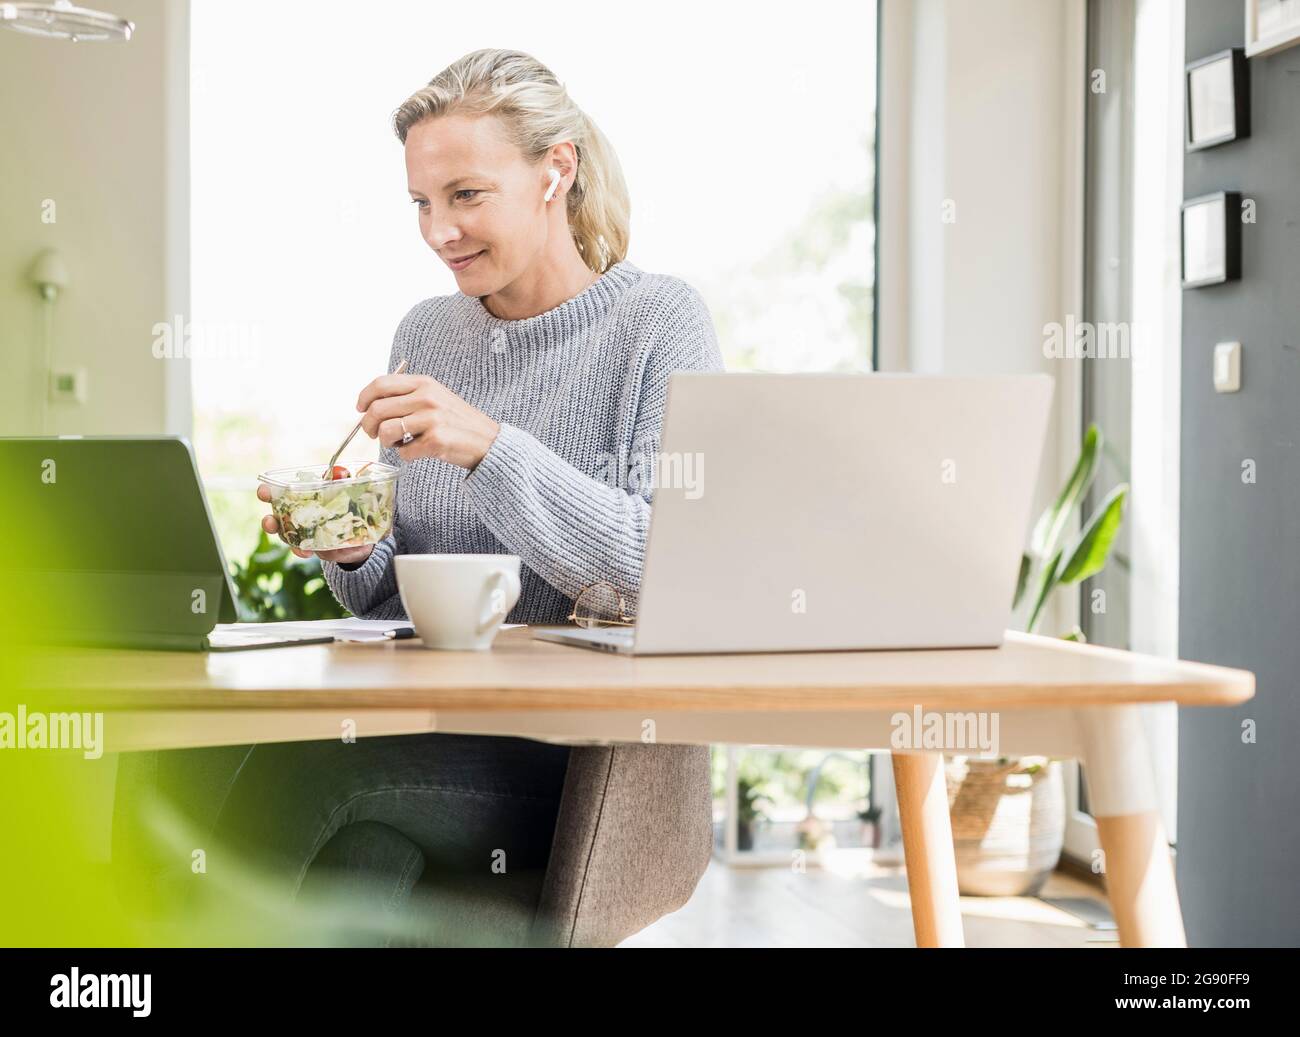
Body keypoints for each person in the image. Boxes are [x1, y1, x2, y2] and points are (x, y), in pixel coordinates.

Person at [188, 47, 724, 944]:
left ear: (557, 170)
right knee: (350, 852)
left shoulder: (657, 324)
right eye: (421, 204)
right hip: (420, 723)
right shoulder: (427, 329)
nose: (440, 231)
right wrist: (354, 543)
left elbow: (666, 565)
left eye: (466, 196)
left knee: (311, 776)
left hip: (581, 766)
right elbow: (397, 593)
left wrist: (487, 445)